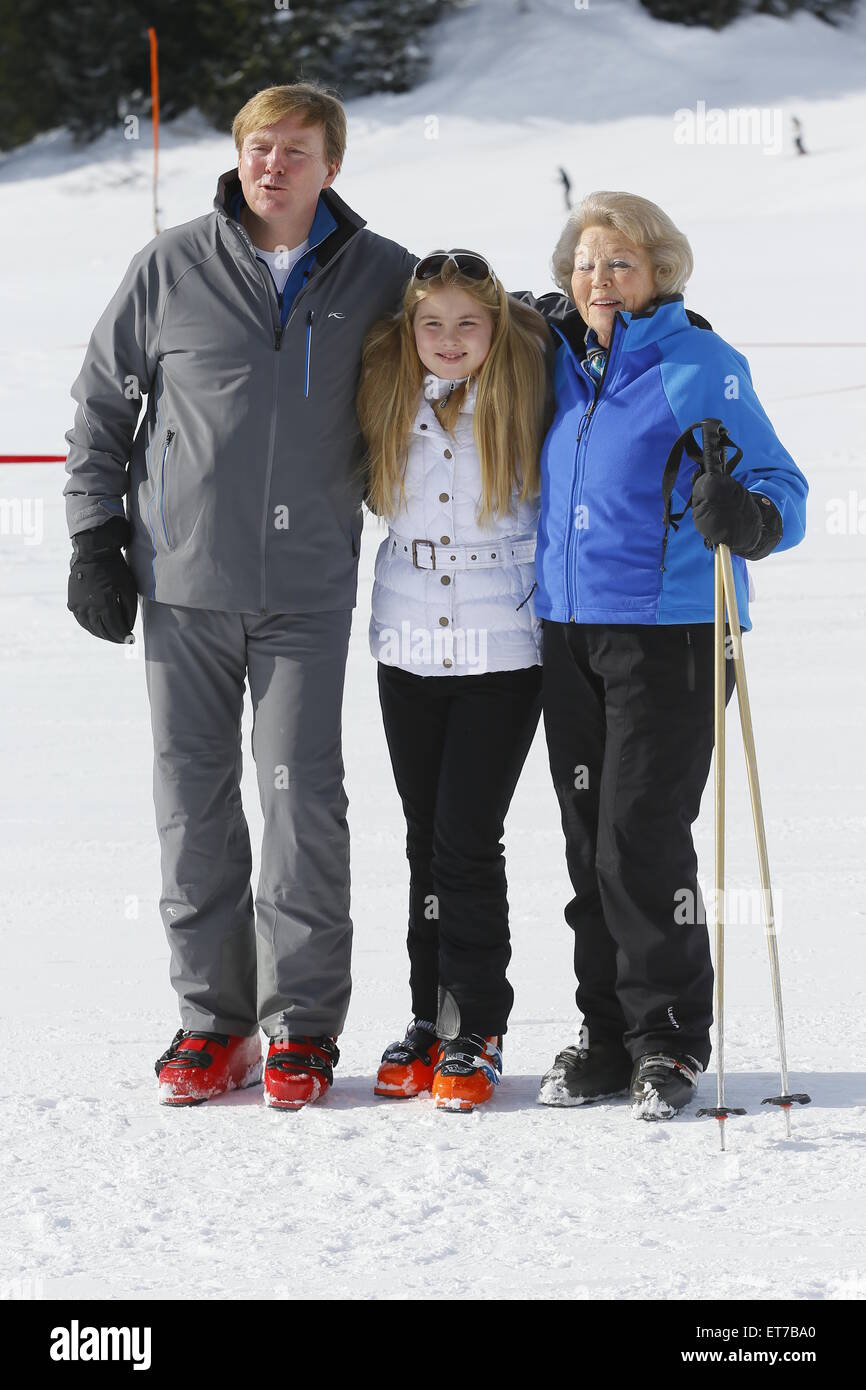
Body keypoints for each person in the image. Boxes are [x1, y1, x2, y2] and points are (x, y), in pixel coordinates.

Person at [64, 82, 417, 1110]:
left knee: (300, 795)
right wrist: (95, 537)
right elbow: (100, 406)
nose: (272, 164)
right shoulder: (171, 264)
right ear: (238, 156)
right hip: (183, 582)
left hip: (307, 584)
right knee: (193, 795)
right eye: (258, 147)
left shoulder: (380, 275)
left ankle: (301, 1025)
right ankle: (211, 1022)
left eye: (295, 150)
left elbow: (460, 346)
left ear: (331, 166)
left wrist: (556, 326)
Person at [530, 192, 808, 1119]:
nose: (599, 281)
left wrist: (754, 516)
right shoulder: (558, 361)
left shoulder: (699, 362)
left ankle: (670, 1042)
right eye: (585, 265)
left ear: (659, 274)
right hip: (568, 630)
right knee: (586, 846)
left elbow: (781, 481)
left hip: (676, 635)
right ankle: (606, 1035)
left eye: (620, 264)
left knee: (638, 837)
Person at [357, 251, 551, 1112]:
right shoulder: (383, 388)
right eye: (431, 323)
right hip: (406, 639)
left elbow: (588, 346)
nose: (448, 339)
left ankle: (478, 1023)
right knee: (421, 836)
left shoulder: (528, 386)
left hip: (500, 645)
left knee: (468, 840)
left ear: (496, 326)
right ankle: (426, 1018)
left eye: (468, 322)